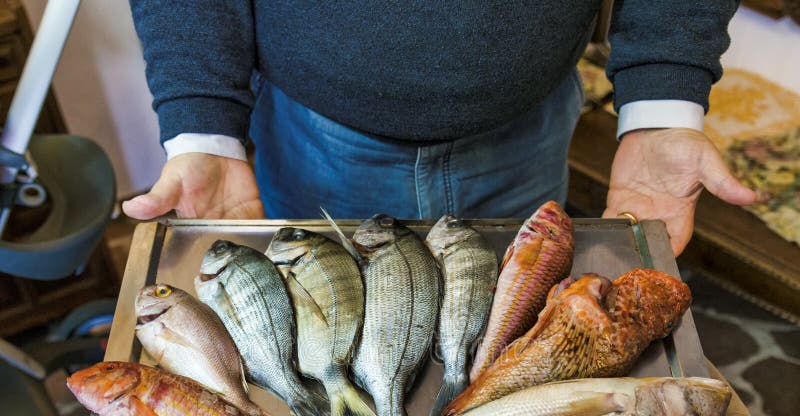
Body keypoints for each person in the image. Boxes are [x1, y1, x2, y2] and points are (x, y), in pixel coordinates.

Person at [122, 1, 756, 255]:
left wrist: (664, 103)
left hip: (527, 131)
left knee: (504, 358)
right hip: (310, 140)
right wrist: (201, 125)